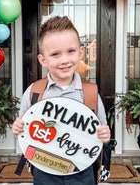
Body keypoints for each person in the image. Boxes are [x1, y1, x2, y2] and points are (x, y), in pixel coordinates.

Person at [12, 16, 111, 185]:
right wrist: (17, 128)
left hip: (82, 168)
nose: (64, 60)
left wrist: (105, 135)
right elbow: (23, 130)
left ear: (81, 52)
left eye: (71, 51)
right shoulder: (34, 92)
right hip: (45, 167)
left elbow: (102, 131)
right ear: (43, 60)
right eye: (55, 54)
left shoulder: (90, 93)